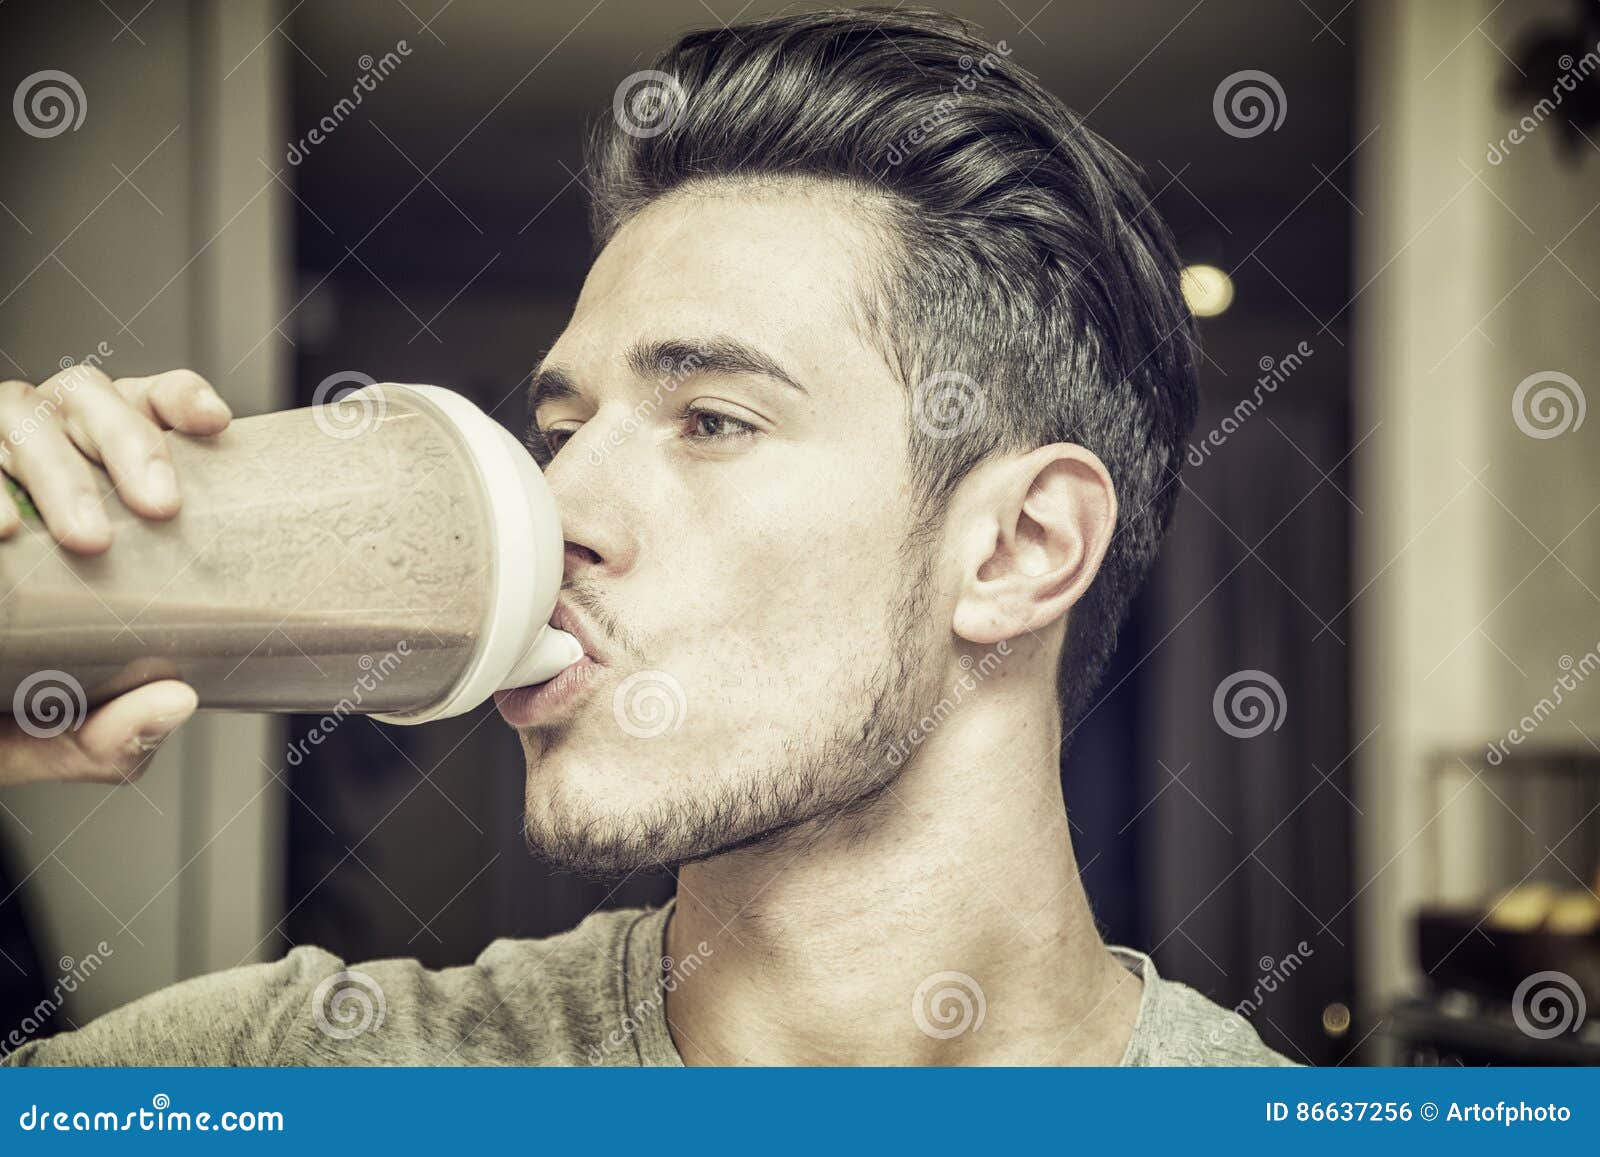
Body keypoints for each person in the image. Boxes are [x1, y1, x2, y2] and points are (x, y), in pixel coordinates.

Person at [1, 7, 1292, 1066]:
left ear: (1017, 546)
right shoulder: (279, 1074)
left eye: (713, 419)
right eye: (563, 428)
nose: (554, 510)